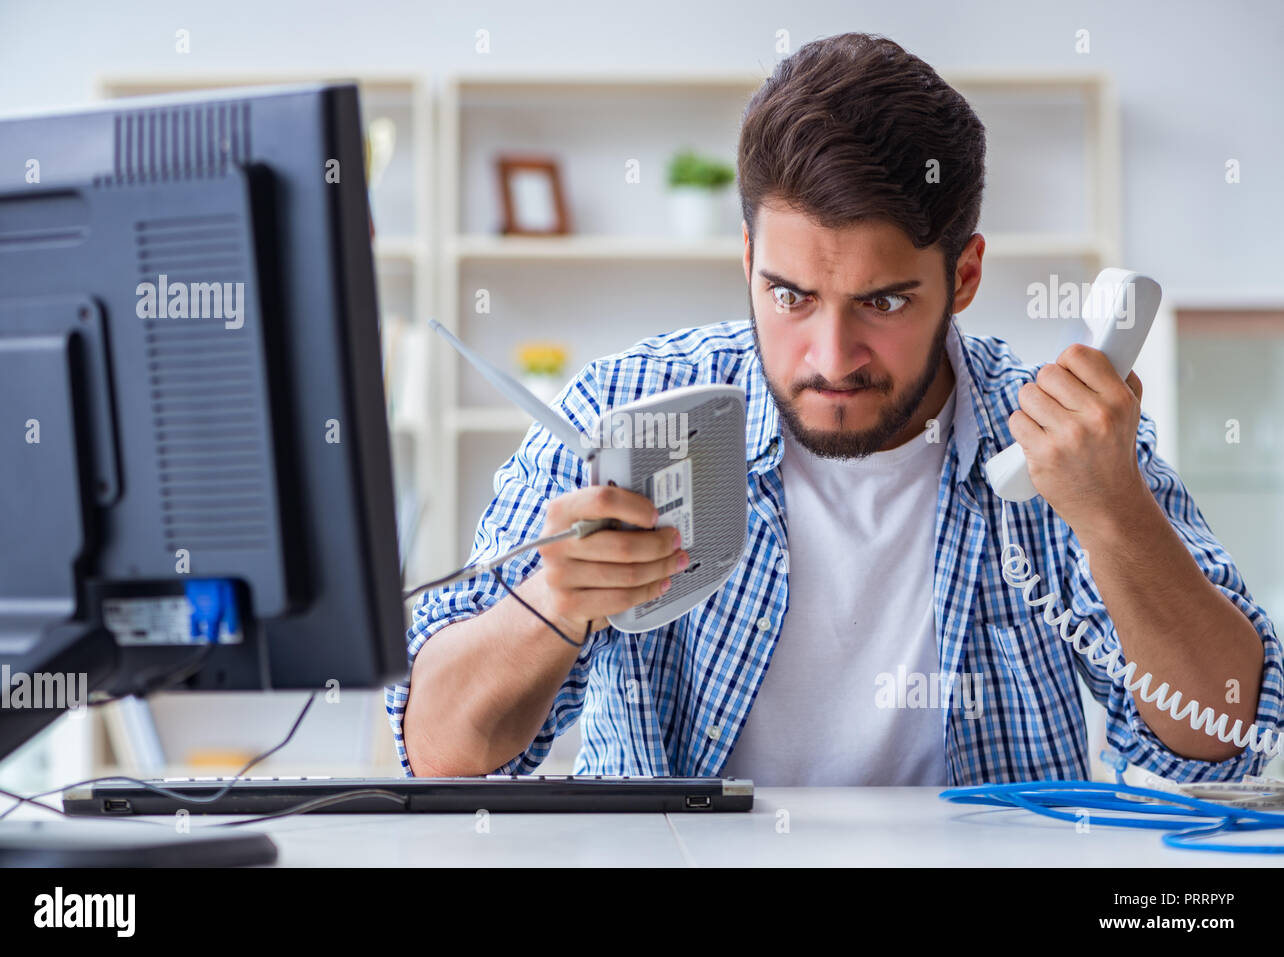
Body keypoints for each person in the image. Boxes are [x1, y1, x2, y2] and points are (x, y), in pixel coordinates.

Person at [385, 32, 1281, 786]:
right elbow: (440, 750)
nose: (830, 358)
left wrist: (1116, 513)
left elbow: (1228, 744)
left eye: (883, 302)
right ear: (746, 258)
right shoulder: (622, 409)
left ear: (963, 276)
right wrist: (553, 601)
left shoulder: (1057, 438)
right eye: (790, 296)